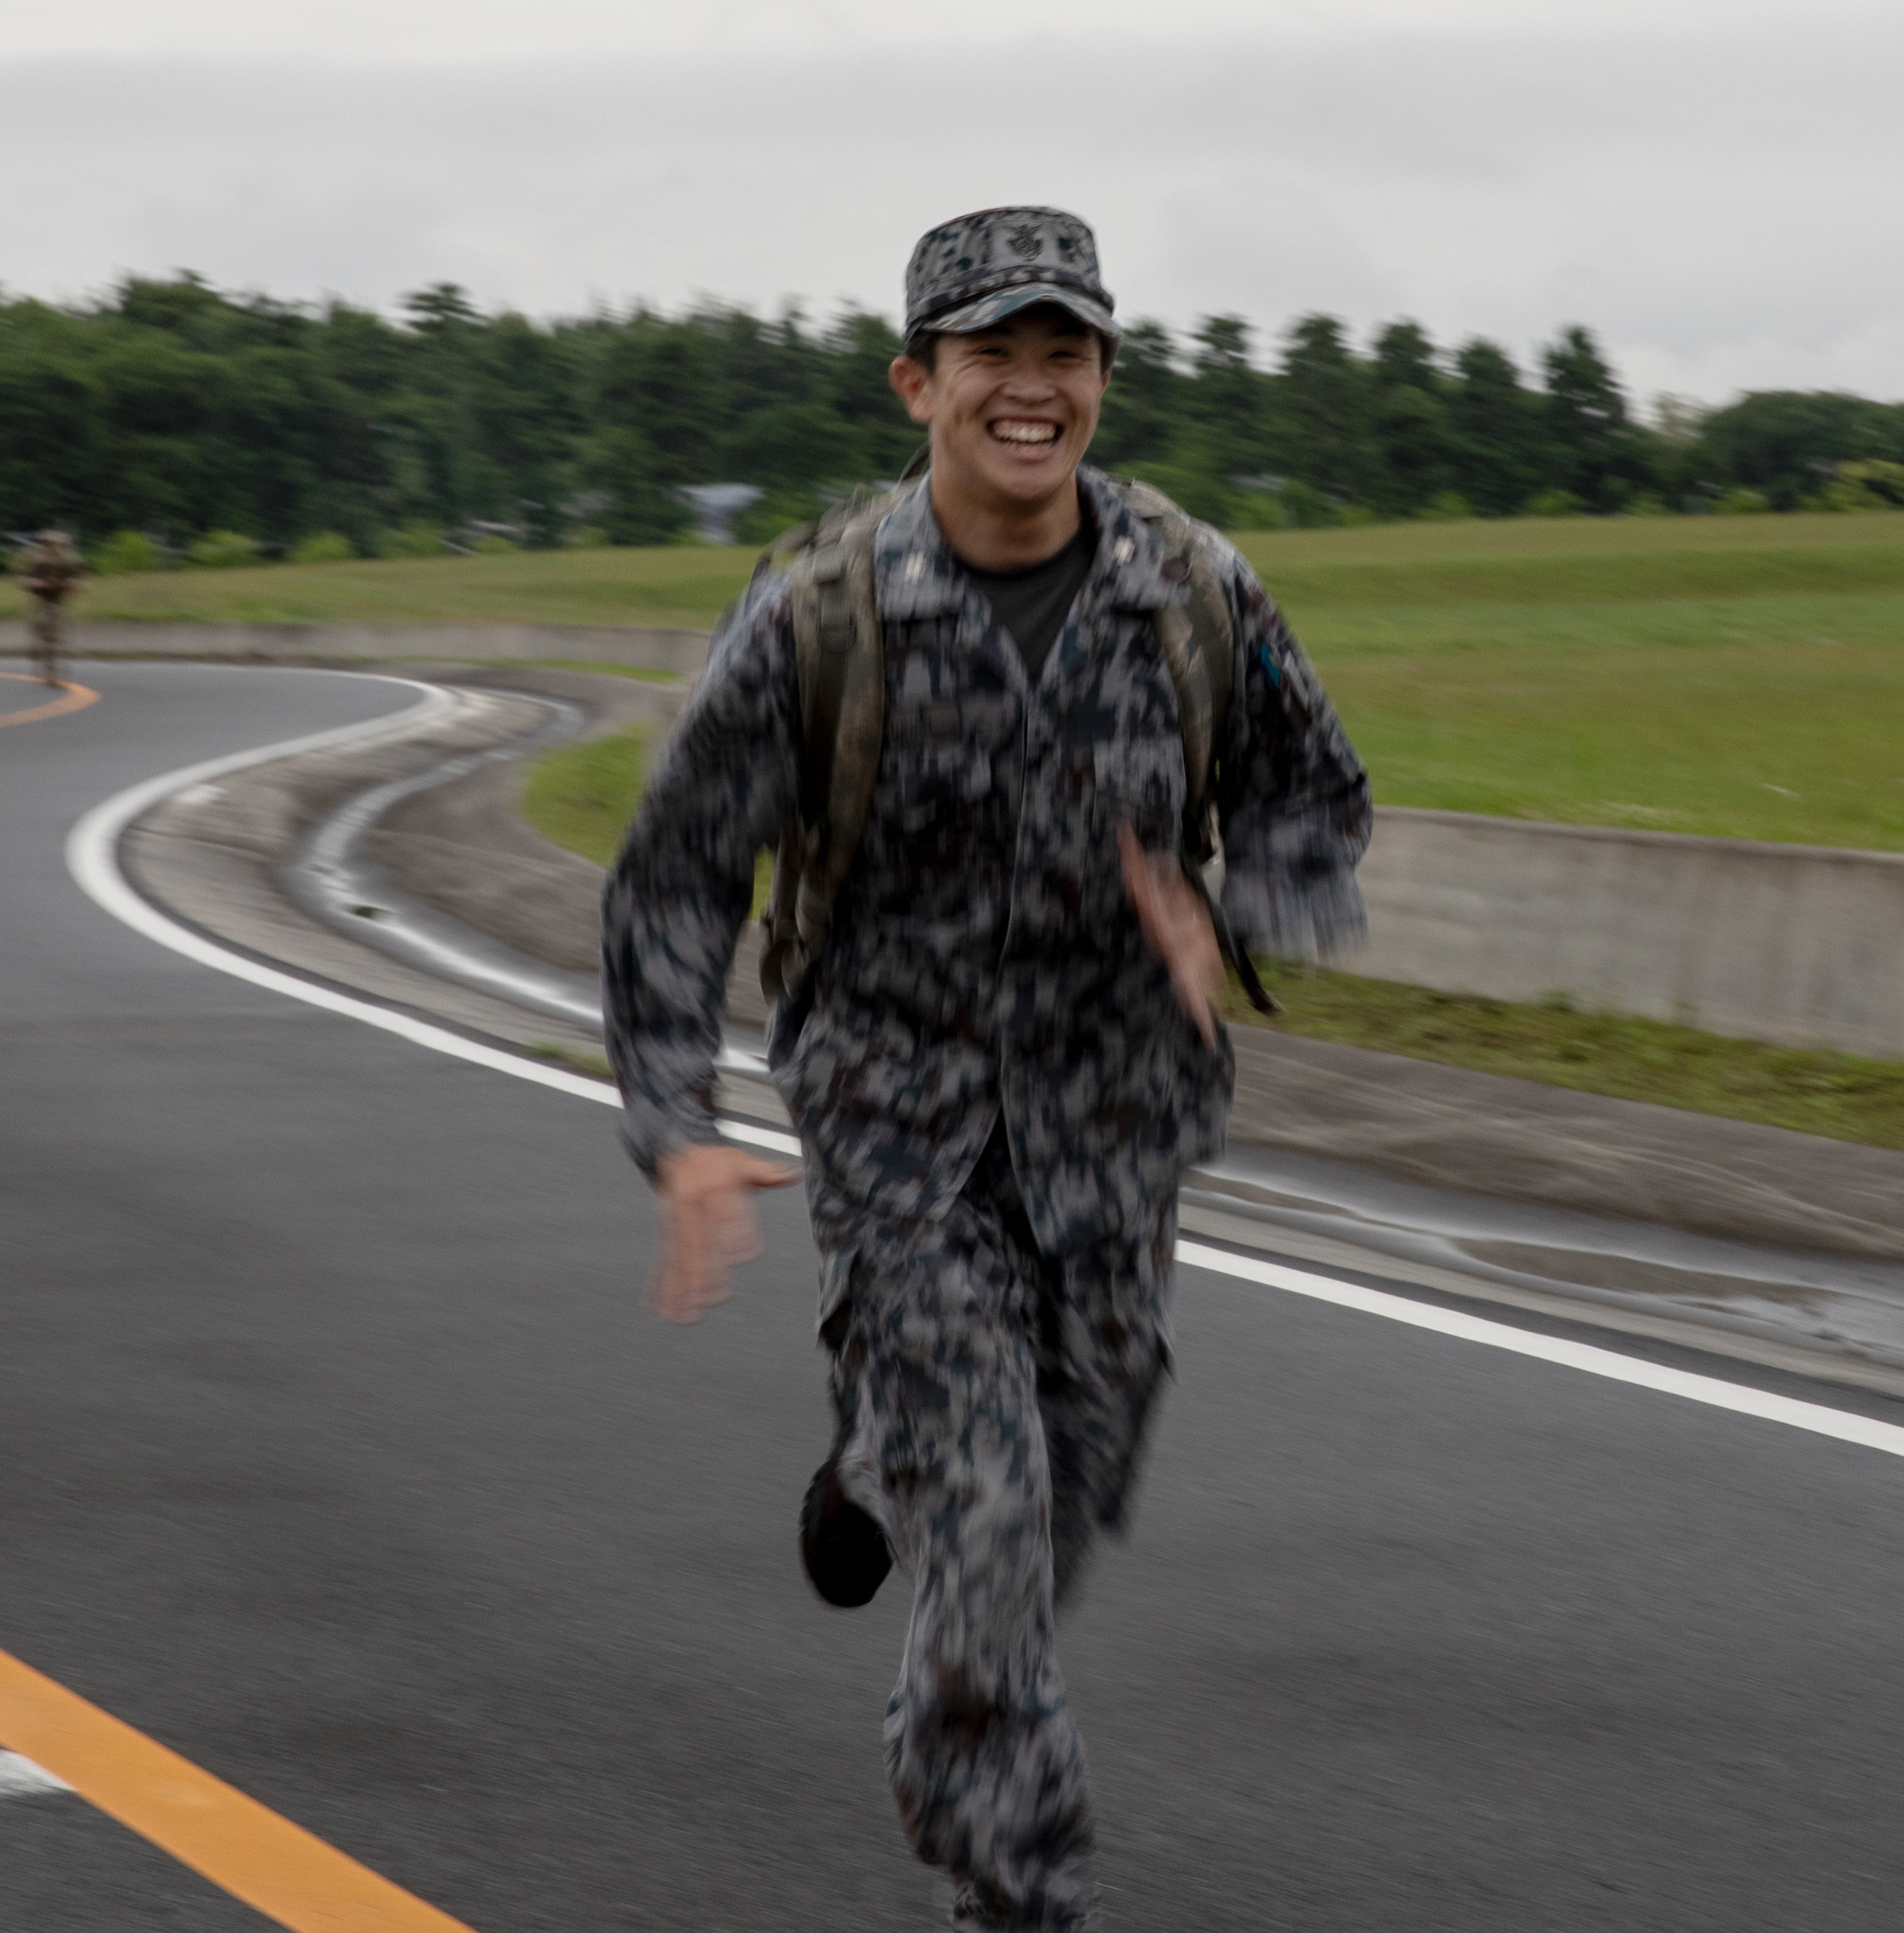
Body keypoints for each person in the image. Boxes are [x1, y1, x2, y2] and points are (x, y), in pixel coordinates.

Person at [599, 205, 1372, 1932]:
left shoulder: (1194, 588)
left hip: (1118, 1136)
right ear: (918, 384)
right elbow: (672, 879)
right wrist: (676, 1123)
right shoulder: (821, 614)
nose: (1034, 389)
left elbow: (1323, 805)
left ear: (1104, 375)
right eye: (993, 356)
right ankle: (1016, 1885)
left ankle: (874, 1452)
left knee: (1075, 1475)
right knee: (997, 1520)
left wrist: (1237, 912)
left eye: (1066, 353)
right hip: (902, 1133)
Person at [10, 528, 85, 687]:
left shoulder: (68, 561)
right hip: (40, 601)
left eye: (58, 545)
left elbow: (79, 579)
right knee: (41, 635)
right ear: (45, 545)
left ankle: (53, 671)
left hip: (58, 603)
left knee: (56, 638)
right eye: (51, 544)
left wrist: (72, 586)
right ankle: (41, 657)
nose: (55, 548)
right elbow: (22, 579)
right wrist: (36, 583)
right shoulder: (35, 560)